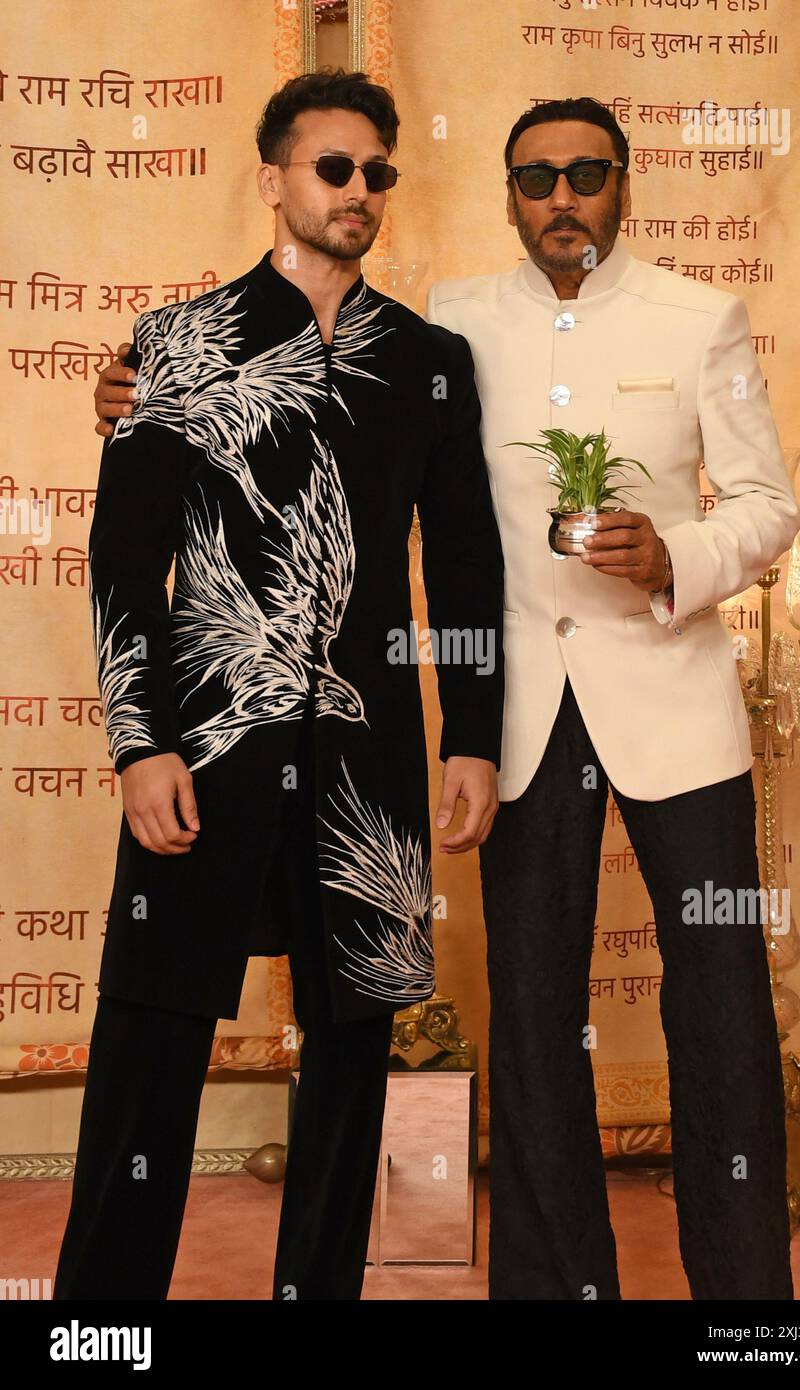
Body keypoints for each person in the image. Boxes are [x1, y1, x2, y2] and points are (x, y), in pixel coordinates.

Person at [58, 68, 503, 1302]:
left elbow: (464, 559)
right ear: (273, 180)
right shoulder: (177, 346)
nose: (359, 191)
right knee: (152, 1037)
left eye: (378, 173)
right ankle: (102, 1323)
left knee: (355, 1051)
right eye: (334, 167)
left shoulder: (428, 360)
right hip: (202, 749)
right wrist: (137, 742)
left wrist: (472, 734)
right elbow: (123, 563)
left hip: (363, 766)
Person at [424, 97, 800, 1300]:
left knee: (726, 1010)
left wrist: (676, 556)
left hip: (679, 707)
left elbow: (769, 504)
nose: (562, 199)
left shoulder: (701, 316)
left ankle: (747, 1308)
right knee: (533, 1017)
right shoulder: (455, 322)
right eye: (536, 180)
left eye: (586, 174)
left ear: (623, 183)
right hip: (522, 716)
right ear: (510, 195)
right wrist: (146, 397)